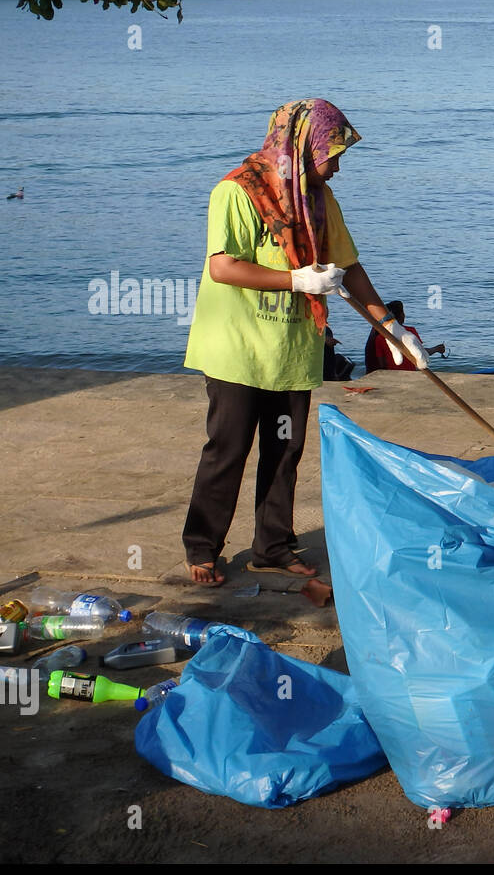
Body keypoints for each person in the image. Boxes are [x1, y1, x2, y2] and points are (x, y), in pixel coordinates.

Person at [181, 99, 430, 586]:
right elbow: (223, 266)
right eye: (330, 155)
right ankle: (203, 546)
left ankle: (272, 546)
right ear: (301, 146)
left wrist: (393, 331)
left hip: (291, 347)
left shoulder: (318, 199)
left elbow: (349, 267)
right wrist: (297, 281)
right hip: (236, 346)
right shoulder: (237, 191)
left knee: (284, 449)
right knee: (227, 449)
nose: (336, 169)